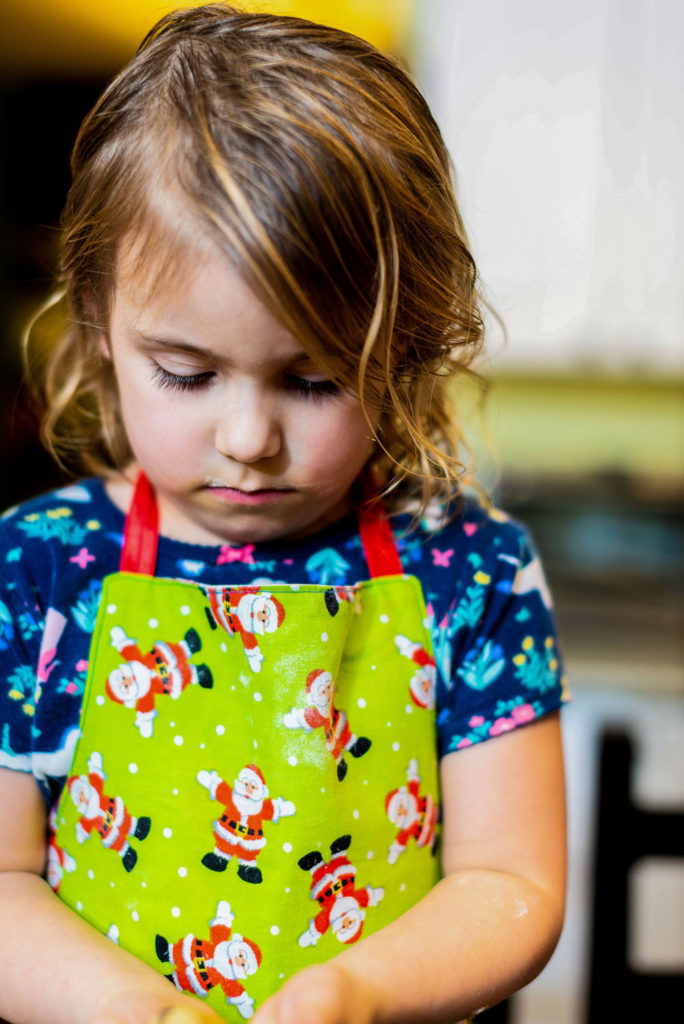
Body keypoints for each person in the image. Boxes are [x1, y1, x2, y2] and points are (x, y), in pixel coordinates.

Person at [0, 5, 569, 1024]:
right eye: (187, 373)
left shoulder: (471, 570)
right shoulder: (34, 571)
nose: (249, 436)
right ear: (98, 328)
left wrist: (355, 994)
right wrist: (134, 1008)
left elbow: (512, 883)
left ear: (403, 349)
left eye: (312, 381)